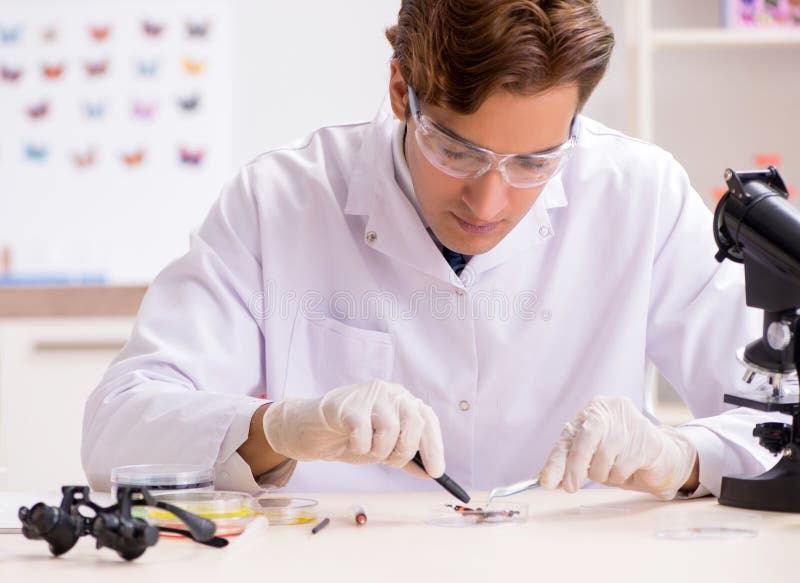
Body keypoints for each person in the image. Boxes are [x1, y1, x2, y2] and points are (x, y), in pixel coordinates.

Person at [82, 0, 777, 500]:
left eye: (534, 162)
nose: (488, 202)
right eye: (455, 150)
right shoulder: (281, 200)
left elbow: (779, 425)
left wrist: (678, 456)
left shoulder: (639, 195)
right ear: (398, 91)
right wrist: (280, 427)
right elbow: (117, 429)